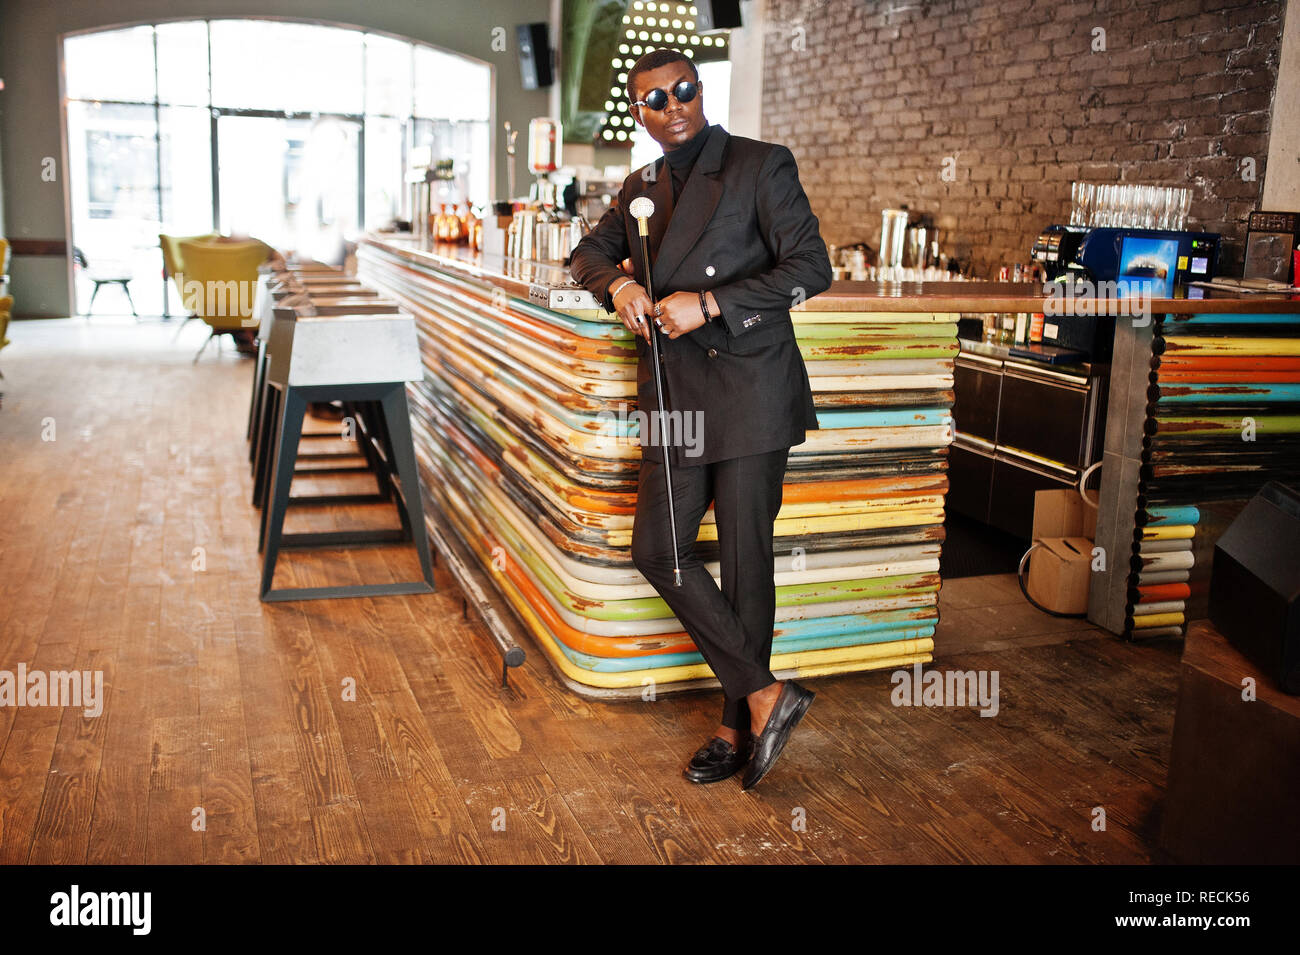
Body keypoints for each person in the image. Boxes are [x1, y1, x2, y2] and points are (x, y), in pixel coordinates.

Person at [569, 48, 832, 789]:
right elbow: (586, 252)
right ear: (639, 114)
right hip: (675, 394)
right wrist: (617, 282)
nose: (672, 105)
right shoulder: (641, 184)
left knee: (747, 563)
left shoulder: (759, 164)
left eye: (682, 90)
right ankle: (766, 695)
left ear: (700, 90)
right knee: (661, 549)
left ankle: (734, 726)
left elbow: (811, 268)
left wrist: (712, 304)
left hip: (749, 387)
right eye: (654, 99)